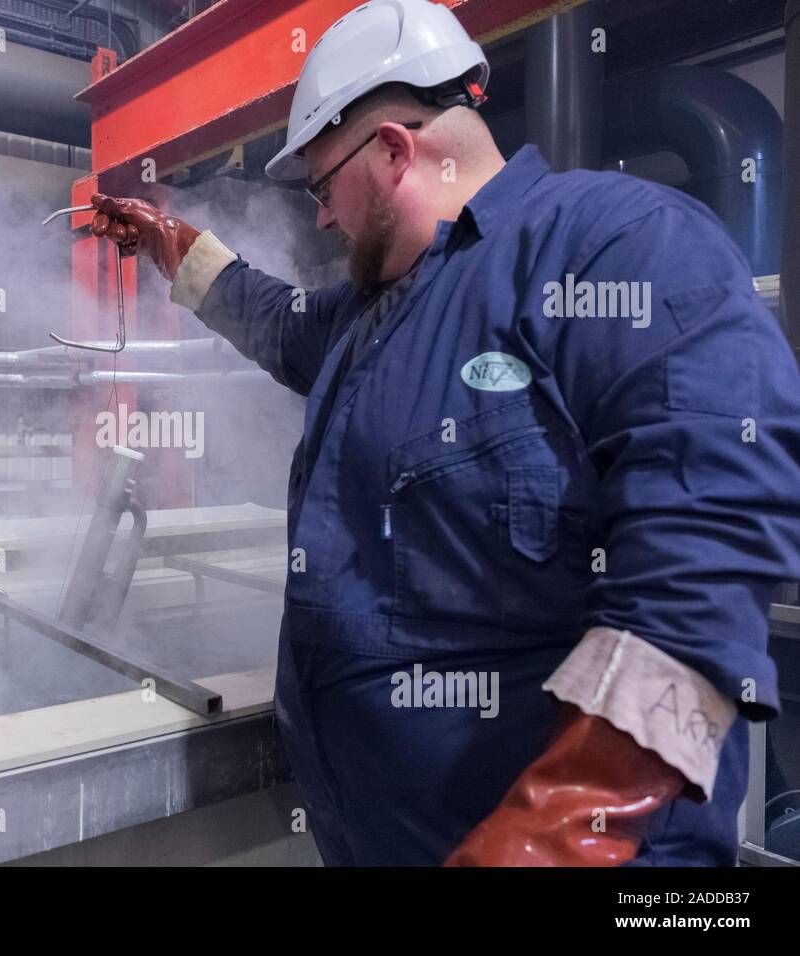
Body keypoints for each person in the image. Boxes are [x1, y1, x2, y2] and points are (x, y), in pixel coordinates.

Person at [86, 0, 800, 865]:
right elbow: (276, 321)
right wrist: (170, 243)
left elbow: (707, 560)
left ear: (392, 150)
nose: (320, 218)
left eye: (321, 186)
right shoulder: (373, 313)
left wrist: (561, 828)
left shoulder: (620, 248)